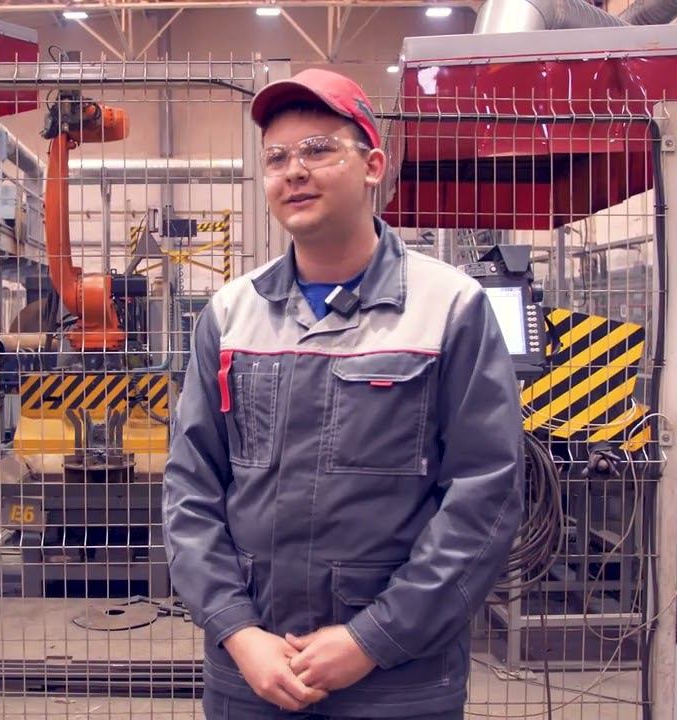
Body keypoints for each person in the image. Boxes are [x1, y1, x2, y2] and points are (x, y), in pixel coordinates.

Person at [162, 68, 524, 719]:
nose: (294, 171)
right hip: (253, 675)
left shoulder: (449, 308)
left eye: (318, 149)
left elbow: (484, 497)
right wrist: (237, 630)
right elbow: (192, 487)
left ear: (372, 166)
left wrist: (373, 638)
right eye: (276, 158)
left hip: (397, 681)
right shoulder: (229, 314)